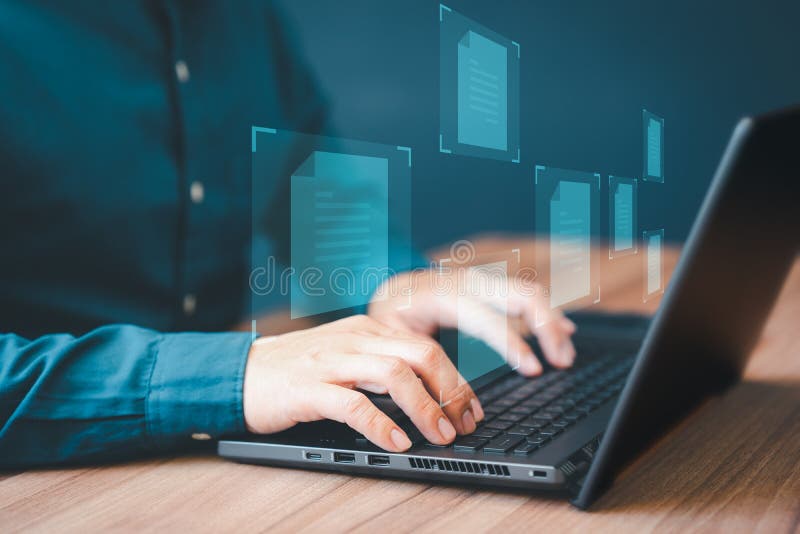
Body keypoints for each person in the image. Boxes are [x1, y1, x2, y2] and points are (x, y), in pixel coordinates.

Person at [0, 1, 576, 467]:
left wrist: (387, 280)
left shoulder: (243, 15)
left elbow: (304, 183)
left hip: (204, 459)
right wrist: (229, 376)